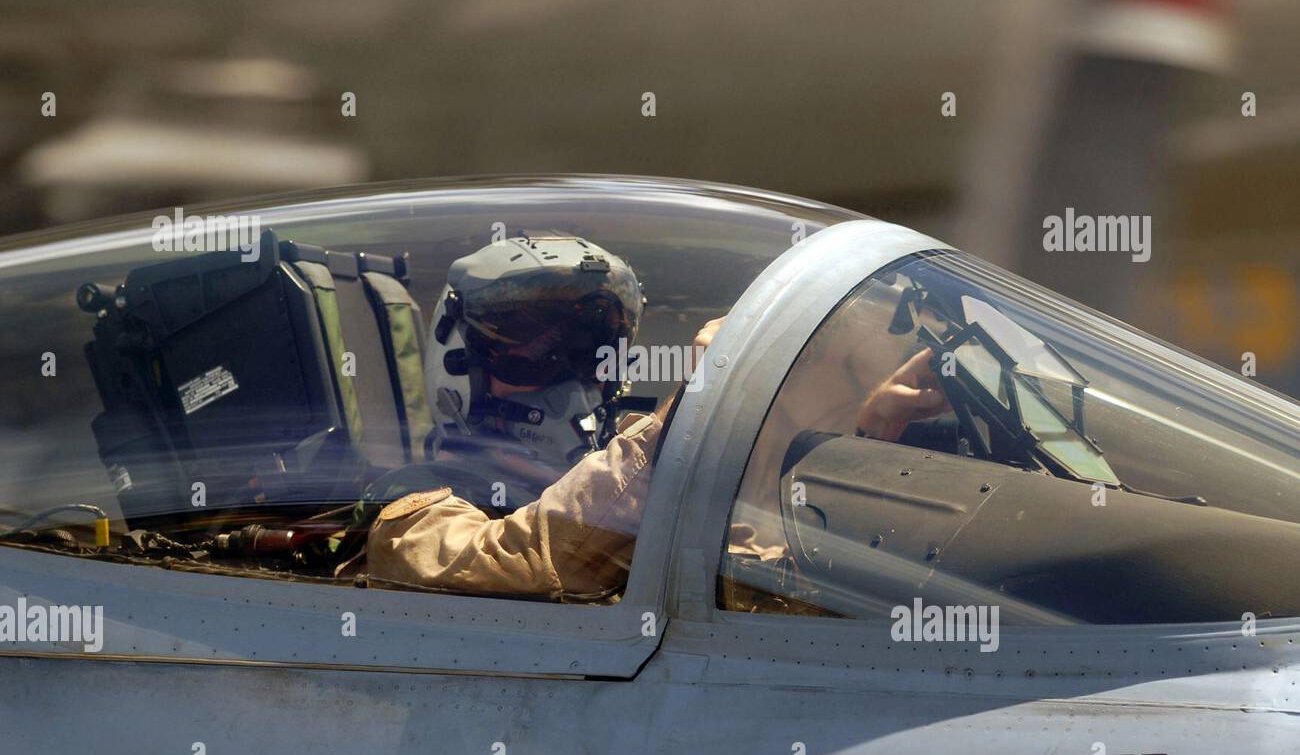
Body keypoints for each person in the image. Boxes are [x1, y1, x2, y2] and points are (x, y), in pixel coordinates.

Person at [358, 236, 949, 602]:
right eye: (531, 350)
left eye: (591, 352)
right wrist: (704, 408)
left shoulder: (629, 483)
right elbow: (533, 563)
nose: (570, 377)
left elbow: (754, 565)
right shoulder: (409, 511)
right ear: (457, 361)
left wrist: (868, 435)